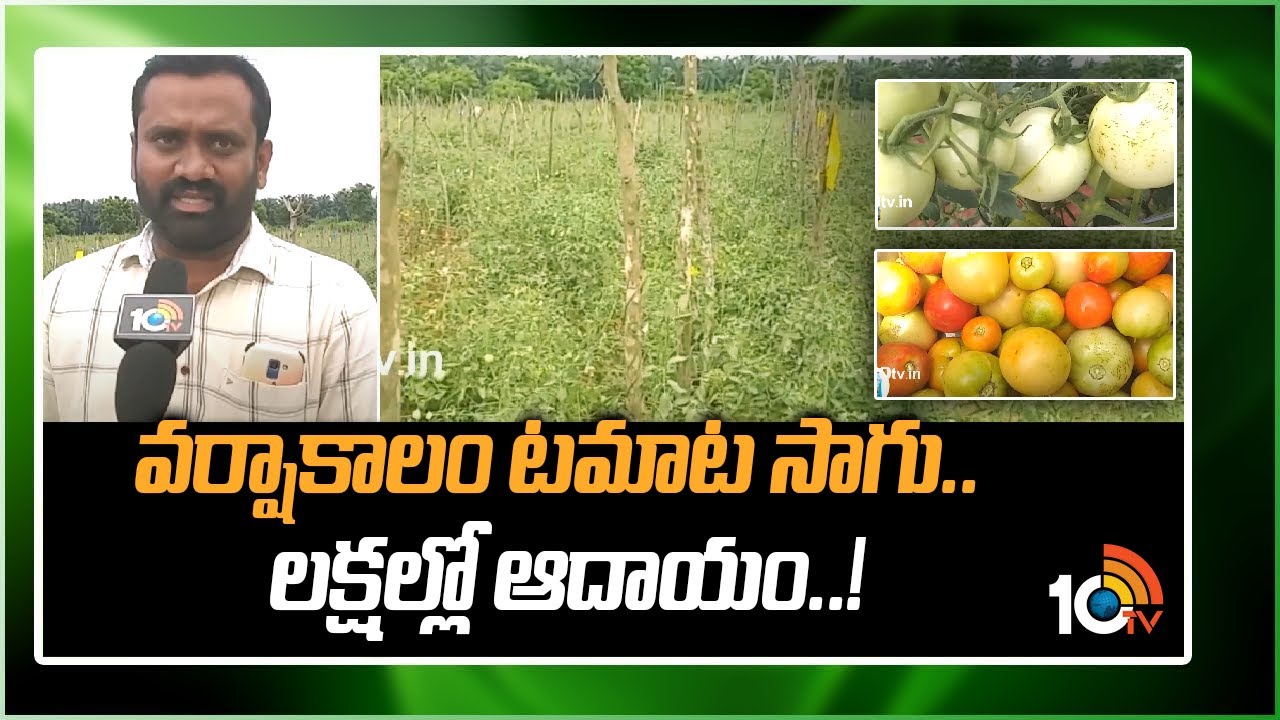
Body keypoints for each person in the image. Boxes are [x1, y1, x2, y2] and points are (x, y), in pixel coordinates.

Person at [41, 54, 379, 422]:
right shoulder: (58, 300)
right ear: (135, 152)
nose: (193, 169)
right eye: (167, 140)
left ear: (261, 162)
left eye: (221, 143)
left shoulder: (337, 306)